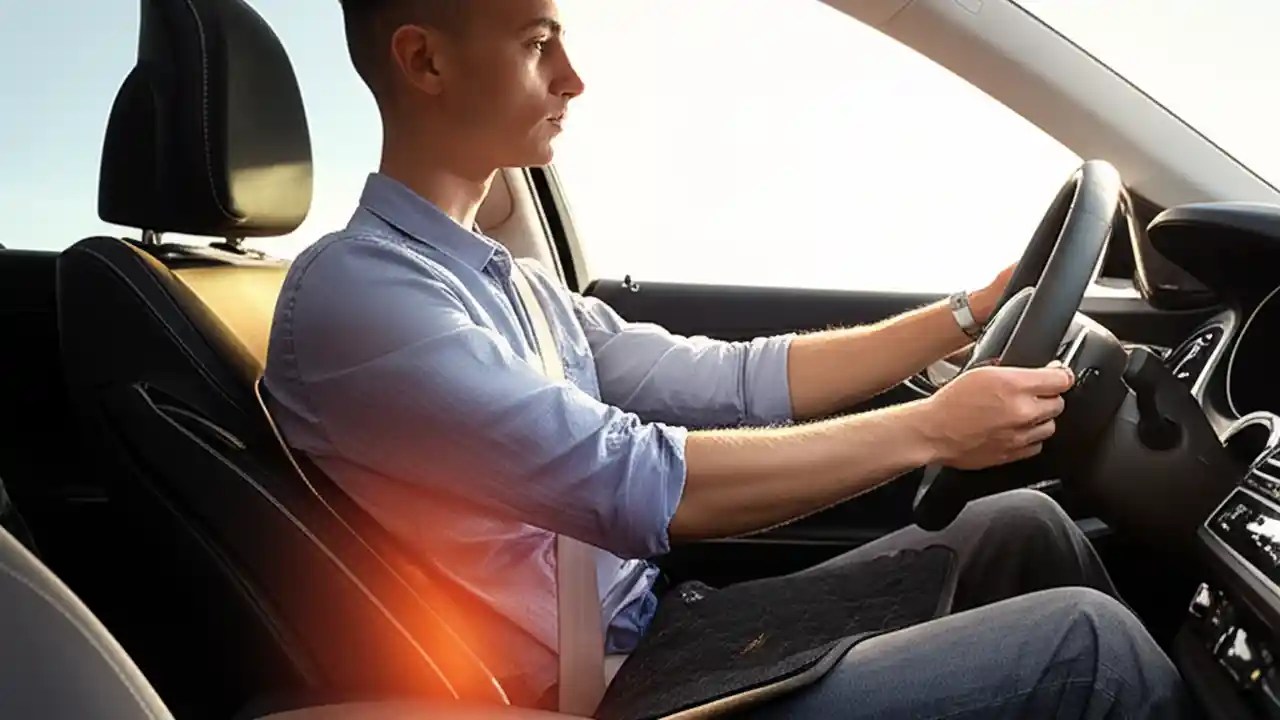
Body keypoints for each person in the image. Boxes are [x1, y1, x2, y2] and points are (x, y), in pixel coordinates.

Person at [262, 0, 1198, 717]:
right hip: (611, 691)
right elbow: (636, 481)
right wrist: (929, 429)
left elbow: (727, 380)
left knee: (1024, 525)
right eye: (537, 43)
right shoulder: (362, 296)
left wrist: (966, 313)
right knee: (1090, 648)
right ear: (424, 59)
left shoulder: (508, 283)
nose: (574, 77)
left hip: (670, 630)